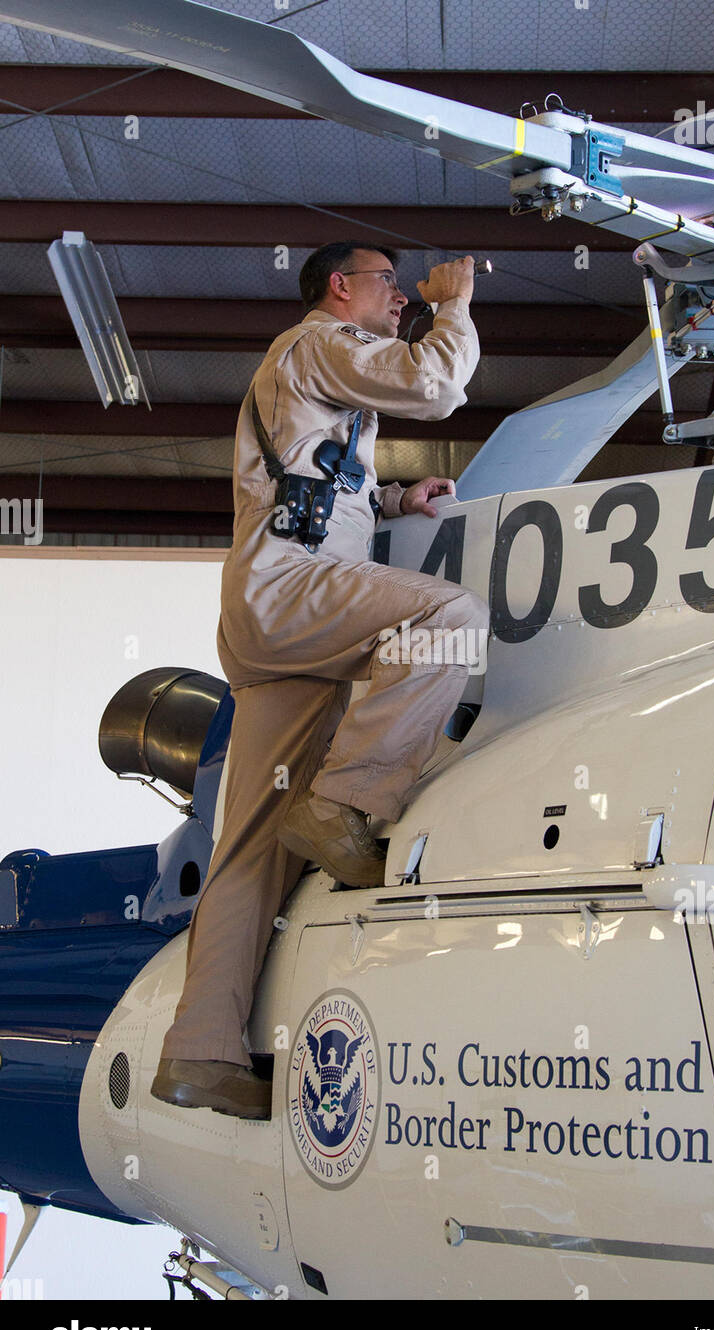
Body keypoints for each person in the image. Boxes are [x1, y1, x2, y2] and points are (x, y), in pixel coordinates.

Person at [151, 241, 487, 1120]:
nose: (400, 297)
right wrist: (452, 305)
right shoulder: (317, 341)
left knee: (249, 850)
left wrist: (392, 503)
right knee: (450, 620)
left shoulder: (302, 371)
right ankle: (345, 804)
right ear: (342, 286)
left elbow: (306, 480)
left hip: (270, 615)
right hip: (293, 592)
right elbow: (434, 385)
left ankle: (200, 1056)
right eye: (388, 284)